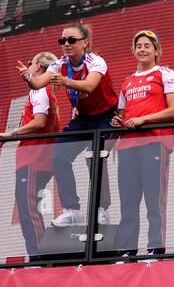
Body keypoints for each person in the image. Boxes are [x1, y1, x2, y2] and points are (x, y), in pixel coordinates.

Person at [21, 23, 118, 227]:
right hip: (83, 118)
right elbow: (39, 83)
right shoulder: (60, 63)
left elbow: (90, 86)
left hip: (106, 115)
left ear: (84, 43)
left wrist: (65, 81)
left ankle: (102, 209)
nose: (66, 44)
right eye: (62, 40)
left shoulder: (95, 61)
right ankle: (71, 210)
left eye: (71, 40)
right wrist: (29, 77)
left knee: (95, 156)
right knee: (59, 156)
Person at [110, 31, 174, 256]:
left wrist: (143, 119)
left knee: (154, 200)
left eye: (147, 46)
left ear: (157, 51)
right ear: (133, 51)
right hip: (127, 146)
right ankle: (127, 251)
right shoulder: (127, 81)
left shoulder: (166, 74)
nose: (142, 49)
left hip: (154, 142)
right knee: (128, 204)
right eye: (138, 46)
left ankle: (155, 249)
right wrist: (117, 121)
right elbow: (122, 115)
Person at [0, 50, 63, 261]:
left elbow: (40, 121)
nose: (28, 66)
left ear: (38, 68)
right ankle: (37, 255)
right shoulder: (40, 91)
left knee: (28, 206)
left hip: (35, 157)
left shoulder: (40, 91)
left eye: (31, 63)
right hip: (33, 157)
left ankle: (39, 256)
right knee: (27, 206)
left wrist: (10, 133)